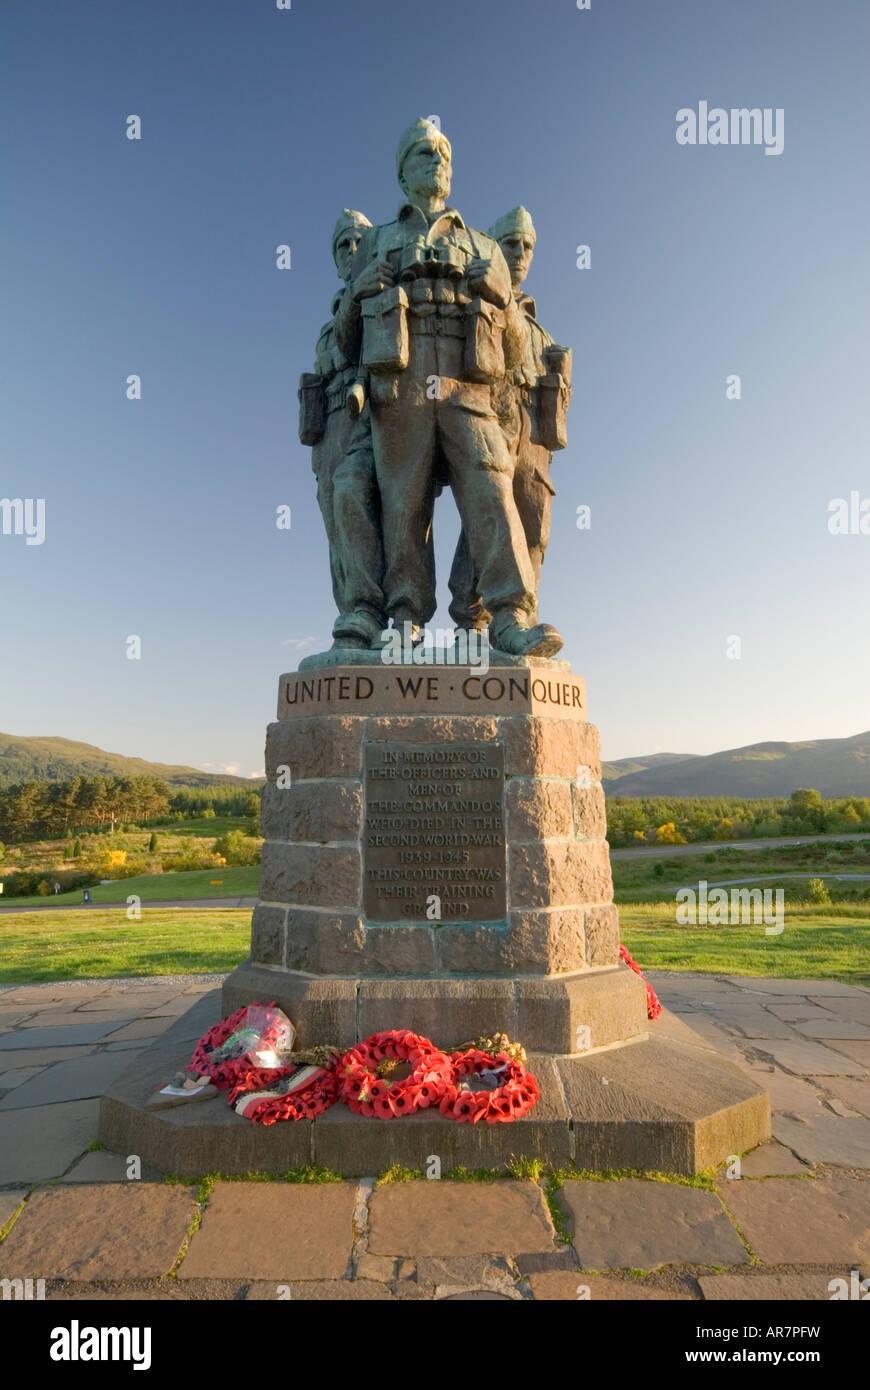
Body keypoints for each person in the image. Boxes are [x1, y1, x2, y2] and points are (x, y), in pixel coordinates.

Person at [334, 119, 563, 659]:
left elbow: (511, 354)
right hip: (402, 385)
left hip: (468, 386)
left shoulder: (483, 244)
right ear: (402, 171)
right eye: (422, 152)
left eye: (443, 153)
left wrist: (502, 300)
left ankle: (509, 616)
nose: (436, 160)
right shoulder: (376, 243)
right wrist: (355, 298)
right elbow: (346, 345)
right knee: (402, 502)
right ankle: (404, 619)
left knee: (492, 489)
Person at [449, 206, 571, 632]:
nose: (520, 252)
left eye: (527, 245)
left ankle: (523, 626)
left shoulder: (543, 333)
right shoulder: (474, 301)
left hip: (535, 439)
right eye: (510, 244)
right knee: (488, 522)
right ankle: (471, 620)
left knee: (534, 532)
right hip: (493, 424)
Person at [298, 210, 386, 648]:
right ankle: (350, 619)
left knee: (360, 504)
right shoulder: (325, 327)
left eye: (357, 242)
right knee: (336, 527)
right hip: (328, 428)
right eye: (343, 245)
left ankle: (370, 609)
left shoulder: (379, 297)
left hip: (369, 419)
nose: (351, 251)